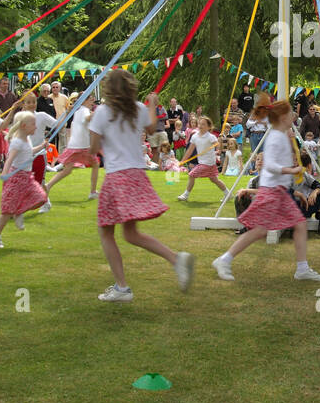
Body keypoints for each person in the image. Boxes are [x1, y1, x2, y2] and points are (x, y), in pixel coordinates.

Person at [87, 70, 195, 303]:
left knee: (106, 232)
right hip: (137, 174)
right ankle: (176, 260)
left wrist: (97, 140)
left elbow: (93, 147)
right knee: (130, 233)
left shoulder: (102, 112)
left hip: (117, 176)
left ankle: (122, 288)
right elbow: (151, 129)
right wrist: (153, 104)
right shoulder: (137, 108)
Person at [212, 94, 320, 283]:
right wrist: (291, 169)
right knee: (261, 230)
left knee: (296, 225)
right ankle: (225, 259)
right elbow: (270, 165)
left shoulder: (280, 135)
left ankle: (302, 268)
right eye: (291, 114)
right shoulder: (275, 137)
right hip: (272, 191)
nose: (294, 117)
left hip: (278, 191)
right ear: (283, 118)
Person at [0, 111, 50, 248]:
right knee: (7, 210)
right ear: (23, 126)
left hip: (28, 178)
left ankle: (19, 211)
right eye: (33, 124)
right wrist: (4, 175)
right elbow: (9, 160)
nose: (36, 127)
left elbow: (29, 152)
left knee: (41, 198)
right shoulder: (16, 142)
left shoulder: (27, 139)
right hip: (16, 178)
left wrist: (41, 147)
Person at [45, 97, 100, 199]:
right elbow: (86, 119)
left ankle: (48, 186)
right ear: (84, 101)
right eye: (90, 99)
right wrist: (98, 112)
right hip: (81, 146)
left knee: (68, 170)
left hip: (77, 145)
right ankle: (92, 192)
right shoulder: (83, 110)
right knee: (94, 165)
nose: (92, 101)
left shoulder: (80, 111)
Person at [177, 117, 227, 202]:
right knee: (214, 179)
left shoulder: (211, 137)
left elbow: (217, 145)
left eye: (203, 124)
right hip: (203, 162)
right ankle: (228, 194)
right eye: (200, 124)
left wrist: (218, 150)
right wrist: (183, 161)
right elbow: (189, 150)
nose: (200, 126)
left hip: (208, 162)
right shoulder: (195, 136)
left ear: (208, 127)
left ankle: (185, 195)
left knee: (191, 175)